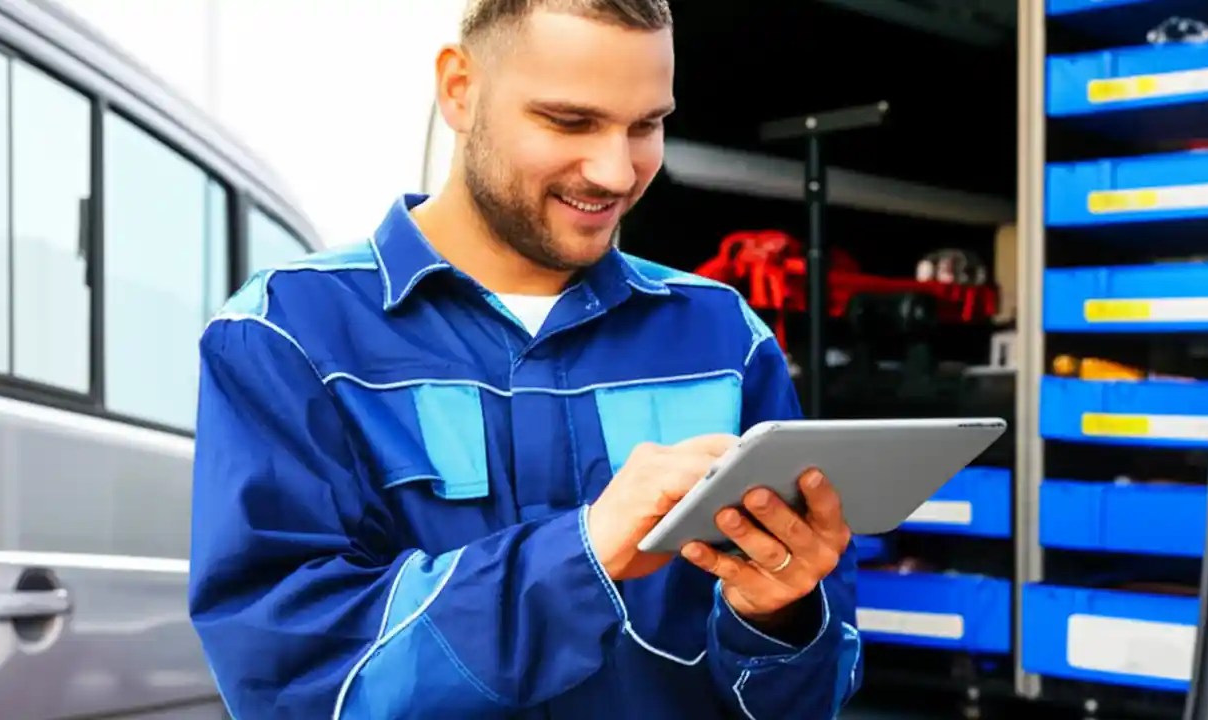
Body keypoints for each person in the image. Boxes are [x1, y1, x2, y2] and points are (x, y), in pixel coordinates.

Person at [188, 1, 864, 717]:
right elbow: (289, 679)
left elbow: (805, 698)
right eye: (570, 122)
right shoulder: (289, 334)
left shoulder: (725, 339)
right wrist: (583, 553)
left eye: (646, 125)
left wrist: (777, 621)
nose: (614, 171)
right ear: (459, 89)